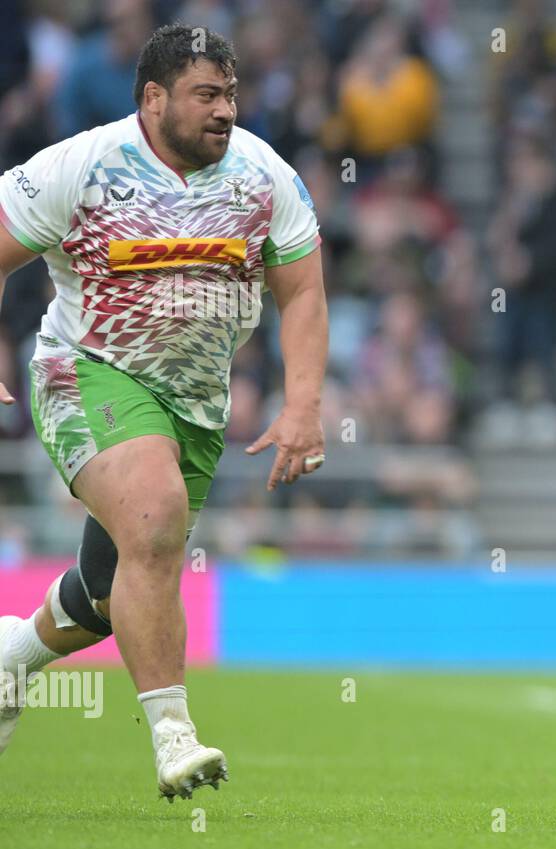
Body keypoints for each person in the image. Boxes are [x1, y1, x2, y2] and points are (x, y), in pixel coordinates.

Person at [0, 24, 328, 801]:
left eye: (232, 95)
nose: (225, 111)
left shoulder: (263, 175)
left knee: (112, 592)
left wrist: (305, 403)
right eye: (206, 95)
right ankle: (174, 736)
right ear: (153, 100)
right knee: (154, 520)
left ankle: (13, 658)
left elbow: (304, 290)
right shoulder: (80, 167)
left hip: (194, 406)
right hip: (86, 372)